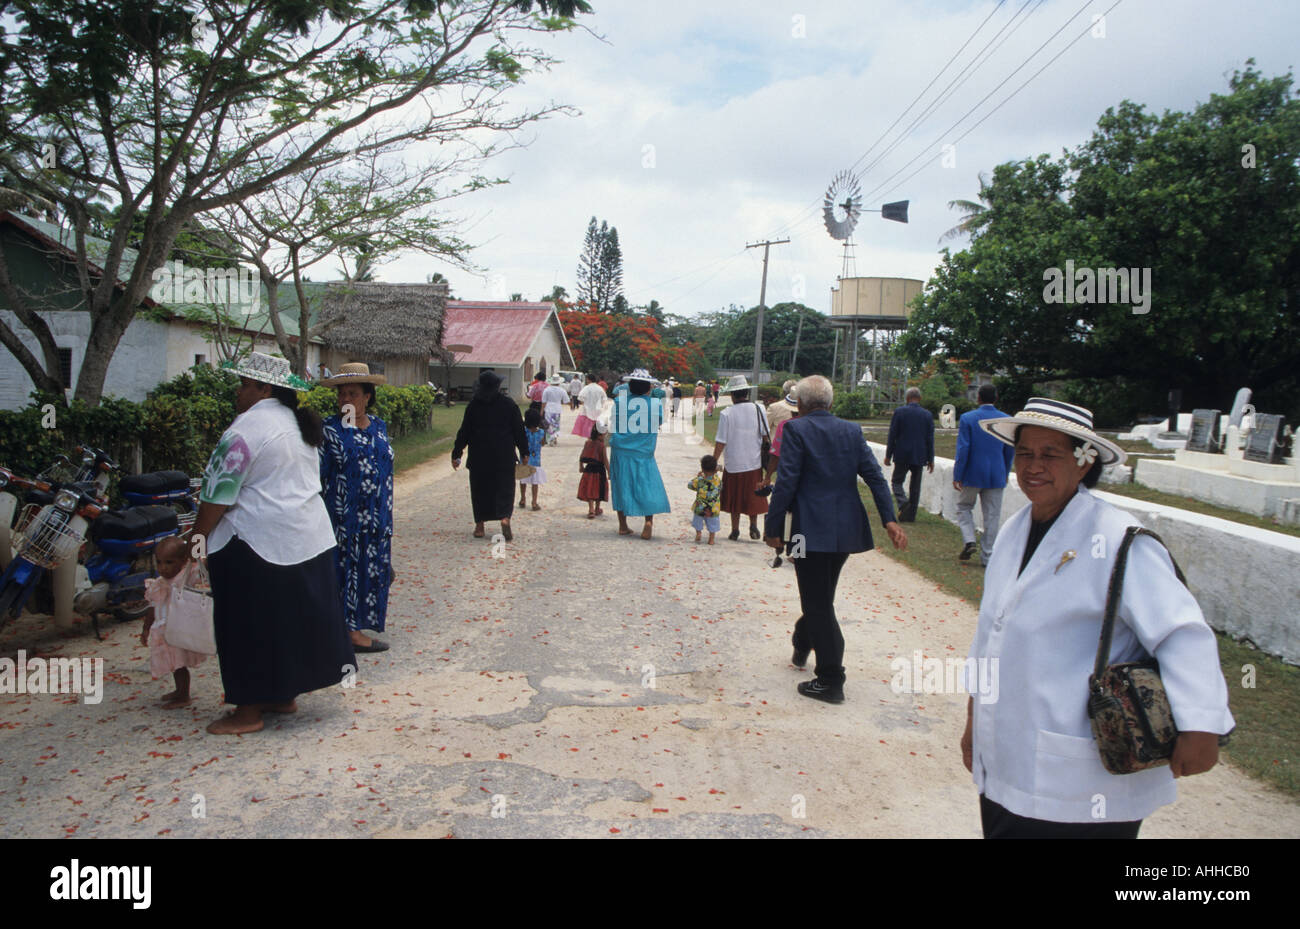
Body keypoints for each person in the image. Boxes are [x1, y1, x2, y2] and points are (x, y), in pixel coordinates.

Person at [962, 397, 1234, 838]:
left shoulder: (1120, 540)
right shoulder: (1014, 530)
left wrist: (1201, 724)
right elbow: (990, 635)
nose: (1033, 466)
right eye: (1026, 453)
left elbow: (1181, 631)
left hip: (1083, 769)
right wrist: (975, 721)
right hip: (1008, 752)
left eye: (1051, 454)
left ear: (1085, 463)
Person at [190, 351, 355, 735]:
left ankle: (248, 709)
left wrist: (195, 539)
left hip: (255, 542)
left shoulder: (245, 430)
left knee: (246, 625)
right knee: (287, 622)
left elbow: (217, 494)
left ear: (263, 388)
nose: (238, 392)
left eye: (244, 384)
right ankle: (283, 694)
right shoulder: (298, 425)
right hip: (306, 537)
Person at [765, 376, 906, 703]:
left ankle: (831, 678)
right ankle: (803, 640)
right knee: (819, 598)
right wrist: (889, 520)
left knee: (816, 602)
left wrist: (773, 529)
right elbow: (875, 479)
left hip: (803, 533)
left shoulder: (795, 430)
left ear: (798, 404)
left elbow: (786, 483)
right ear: (831, 403)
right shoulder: (851, 431)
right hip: (844, 531)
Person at [319, 362, 395, 653]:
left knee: (371, 568)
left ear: (367, 396)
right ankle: (349, 632)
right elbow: (319, 474)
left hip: (377, 514)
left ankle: (356, 625)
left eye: (352, 394)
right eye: (341, 395)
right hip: (343, 516)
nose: (345, 400)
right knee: (346, 570)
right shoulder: (330, 430)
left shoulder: (378, 426)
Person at [452, 370, 529, 541]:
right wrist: (524, 452)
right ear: (498, 386)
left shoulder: (473, 405)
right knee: (505, 489)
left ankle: (480, 526)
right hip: (504, 456)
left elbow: (464, 432)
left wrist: (456, 453)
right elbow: (519, 431)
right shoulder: (509, 405)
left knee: (480, 490)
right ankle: (504, 518)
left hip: (479, 456)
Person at [140, 535, 207, 709]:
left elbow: (202, 568)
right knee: (174, 664)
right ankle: (179, 691)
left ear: (183, 561)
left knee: (179, 664)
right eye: (159, 562)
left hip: (179, 630)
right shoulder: (159, 583)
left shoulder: (187, 576)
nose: (163, 568)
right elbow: (153, 607)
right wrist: (146, 629)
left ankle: (184, 695)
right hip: (165, 632)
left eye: (169, 562)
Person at [952, 384, 1015, 566]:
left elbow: (963, 449)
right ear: (995, 398)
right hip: (996, 473)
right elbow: (1009, 450)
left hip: (972, 472)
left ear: (978, 397)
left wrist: (958, 474)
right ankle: (987, 556)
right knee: (992, 516)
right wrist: (1005, 471)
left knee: (964, 506)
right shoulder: (1007, 420)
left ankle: (969, 539)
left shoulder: (968, 418)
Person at [608, 368, 671, 539]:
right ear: (648, 388)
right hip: (644, 451)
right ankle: (648, 521)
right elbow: (658, 422)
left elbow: (613, 423)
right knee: (647, 484)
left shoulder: (620, 403)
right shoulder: (655, 404)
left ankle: (623, 525)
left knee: (621, 485)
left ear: (630, 386)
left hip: (621, 450)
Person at [713, 375, 770, 541]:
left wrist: (713, 461)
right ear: (746, 392)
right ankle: (753, 525)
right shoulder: (759, 409)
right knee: (753, 495)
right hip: (754, 460)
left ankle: (735, 529)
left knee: (734, 496)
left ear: (732, 395)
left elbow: (721, 441)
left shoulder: (727, 413)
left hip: (733, 461)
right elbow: (765, 435)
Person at [884, 386, 934, 522]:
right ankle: (910, 515)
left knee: (896, 481)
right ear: (920, 398)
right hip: (920, 454)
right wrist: (931, 459)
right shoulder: (927, 415)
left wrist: (888, 455)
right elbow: (930, 439)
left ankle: (902, 501)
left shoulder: (899, 412)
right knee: (915, 487)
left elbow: (892, 434)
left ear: (907, 398)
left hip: (902, 453)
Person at [687, 454, 722, 544]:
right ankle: (711, 539)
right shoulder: (717, 480)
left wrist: (698, 476)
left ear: (702, 469)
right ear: (715, 469)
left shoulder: (700, 480)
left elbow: (690, 485)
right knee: (713, 523)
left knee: (698, 520)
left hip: (700, 506)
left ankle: (698, 533)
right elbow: (721, 488)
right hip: (713, 508)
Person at [577, 421, 609, 518]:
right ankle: (597, 508)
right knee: (598, 489)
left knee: (590, 489)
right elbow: (605, 460)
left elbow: (582, 456)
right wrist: (609, 471)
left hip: (589, 469)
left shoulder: (588, 442)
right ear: (602, 434)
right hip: (599, 470)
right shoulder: (601, 445)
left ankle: (591, 508)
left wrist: (581, 466)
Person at [519, 407, 547, 510]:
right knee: (535, 482)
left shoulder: (524, 431)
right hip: (536, 461)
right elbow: (543, 443)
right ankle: (534, 502)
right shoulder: (541, 432)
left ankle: (522, 499)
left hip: (524, 459)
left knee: (523, 481)